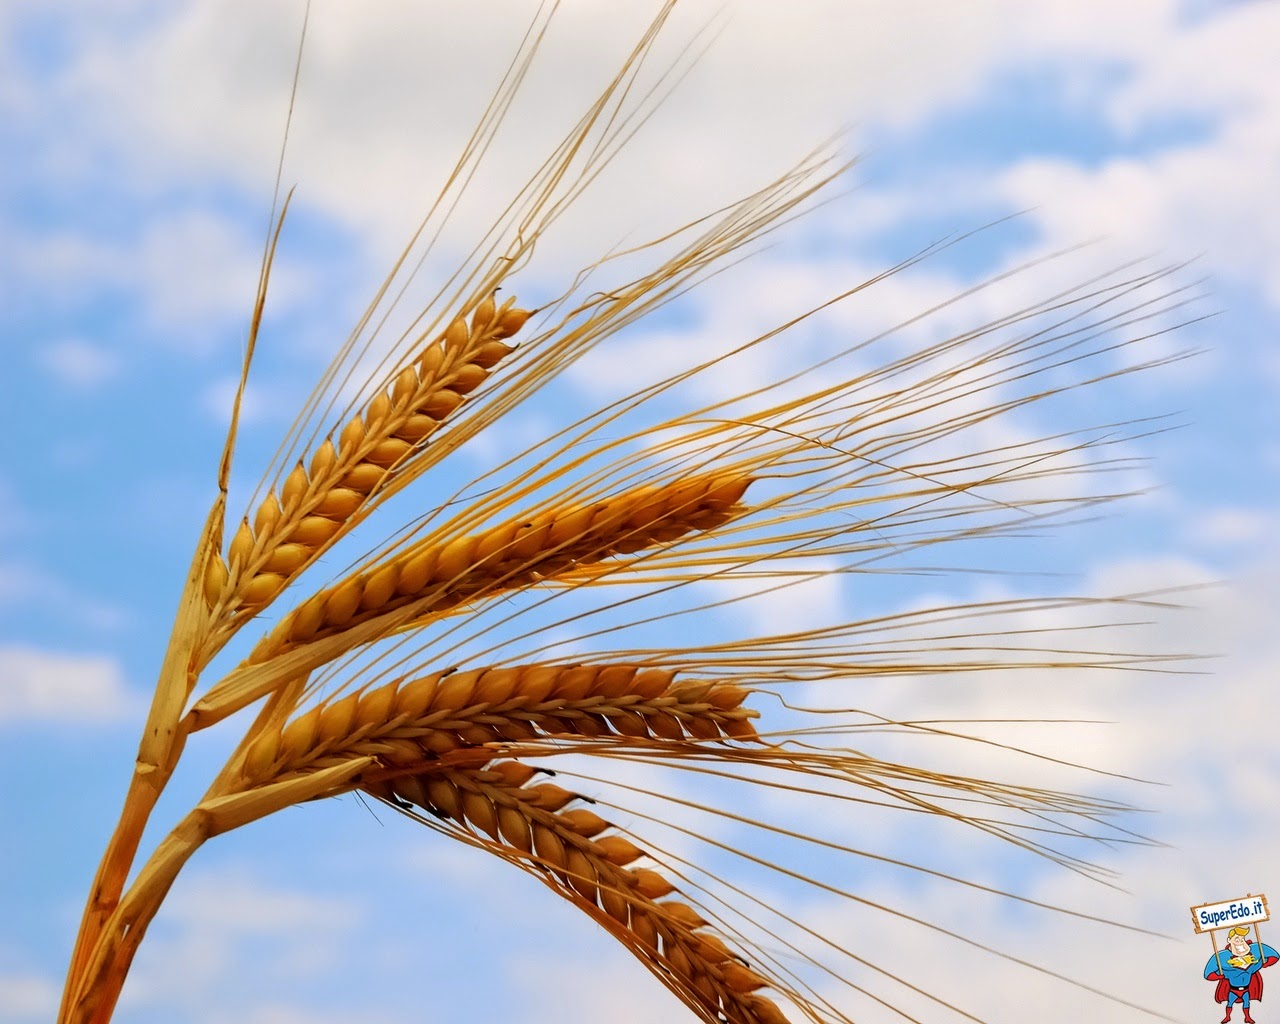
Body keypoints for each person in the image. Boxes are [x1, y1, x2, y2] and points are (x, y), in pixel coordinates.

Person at [1205, 927, 1280, 1023]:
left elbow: (1274, 955)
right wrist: (1220, 976)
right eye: (1237, 939)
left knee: (1246, 1003)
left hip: (1246, 989)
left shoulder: (1255, 949)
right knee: (1230, 1003)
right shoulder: (1222, 957)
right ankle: (1228, 1017)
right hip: (1233, 989)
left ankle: (1247, 1017)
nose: (1240, 942)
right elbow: (1208, 974)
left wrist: (1265, 963)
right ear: (1229, 940)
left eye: (1242, 939)